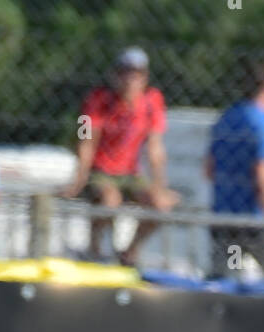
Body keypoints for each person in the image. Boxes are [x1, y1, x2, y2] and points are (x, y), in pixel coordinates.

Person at [62, 47, 178, 266]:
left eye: (137, 74)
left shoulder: (153, 101)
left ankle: (129, 253)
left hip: (131, 173)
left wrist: (160, 185)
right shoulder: (97, 100)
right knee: (109, 201)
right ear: (115, 75)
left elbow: (155, 147)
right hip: (102, 170)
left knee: (160, 204)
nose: (130, 80)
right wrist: (79, 180)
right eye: (125, 73)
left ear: (145, 78)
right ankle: (94, 249)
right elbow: (86, 141)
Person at [206, 59, 264, 278]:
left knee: (225, 274)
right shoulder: (260, 123)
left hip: (223, 215)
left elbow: (209, 169)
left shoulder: (226, 118)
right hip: (253, 219)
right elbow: (263, 175)